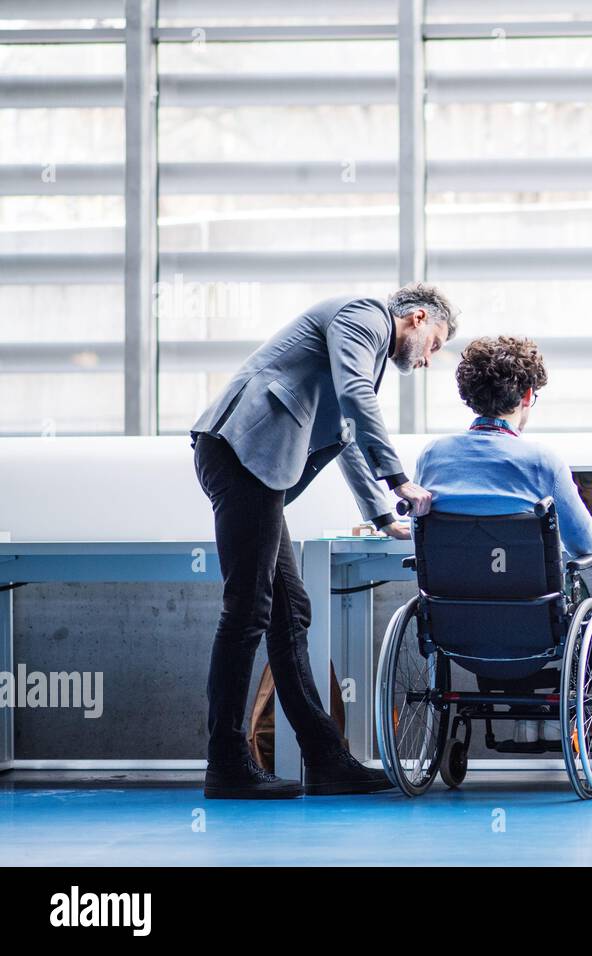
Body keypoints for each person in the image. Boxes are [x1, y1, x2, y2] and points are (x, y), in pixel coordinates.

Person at [191, 283, 456, 798]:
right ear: (418, 317)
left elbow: (346, 433)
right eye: (436, 343)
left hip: (258, 465)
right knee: (247, 609)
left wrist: (383, 515)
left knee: (291, 615)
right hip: (243, 452)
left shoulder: (365, 346)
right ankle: (225, 763)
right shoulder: (367, 316)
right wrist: (399, 479)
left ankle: (327, 758)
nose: (429, 360)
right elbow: (356, 399)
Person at [413, 336, 592, 744]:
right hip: (533, 631)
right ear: (528, 394)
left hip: (457, 631)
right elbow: (585, 545)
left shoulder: (432, 456)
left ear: (470, 396)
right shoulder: (542, 460)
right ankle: (586, 706)